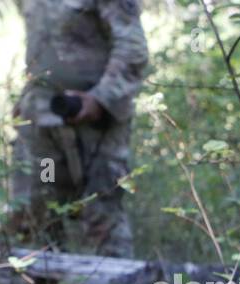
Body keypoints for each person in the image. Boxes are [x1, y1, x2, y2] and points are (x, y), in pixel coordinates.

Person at [8, 0, 148, 257]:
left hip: (94, 125)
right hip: (42, 121)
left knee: (100, 211)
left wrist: (101, 99)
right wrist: (28, 97)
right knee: (38, 206)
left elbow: (132, 48)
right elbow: (44, 42)